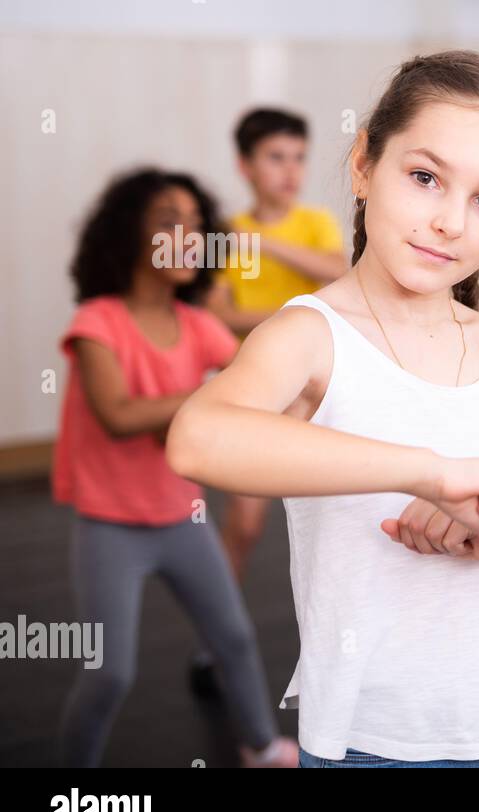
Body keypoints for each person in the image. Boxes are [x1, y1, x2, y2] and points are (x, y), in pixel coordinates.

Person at [167, 51, 479, 767]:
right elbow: (197, 439)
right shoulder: (311, 336)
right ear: (363, 165)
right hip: (371, 748)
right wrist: (431, 474)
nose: (448, 222)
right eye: (424, 178)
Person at [54, 168, 297, 767]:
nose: (189, 235)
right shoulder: (97, 324)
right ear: (127, 236)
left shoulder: (199, 326)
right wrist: (204, 398)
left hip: (182, 519)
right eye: (169, 221)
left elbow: (254, 382)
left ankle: (262, 747)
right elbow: (117, 414)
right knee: (109, 674)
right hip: (109, 527)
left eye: (196, 224)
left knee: (235, 639)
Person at [192, 108, 349, 696]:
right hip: (258, 396)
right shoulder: (225, 233)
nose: (290, 170)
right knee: (248, 525)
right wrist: (293, 315)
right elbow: (215, 314)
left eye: (298, 157)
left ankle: (341, 640)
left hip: (315, 394)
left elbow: (337, 275)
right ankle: (217, 635)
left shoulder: (311, 224)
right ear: (245, 165)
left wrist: (268, 245)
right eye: (275, 158)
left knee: (337, 521)